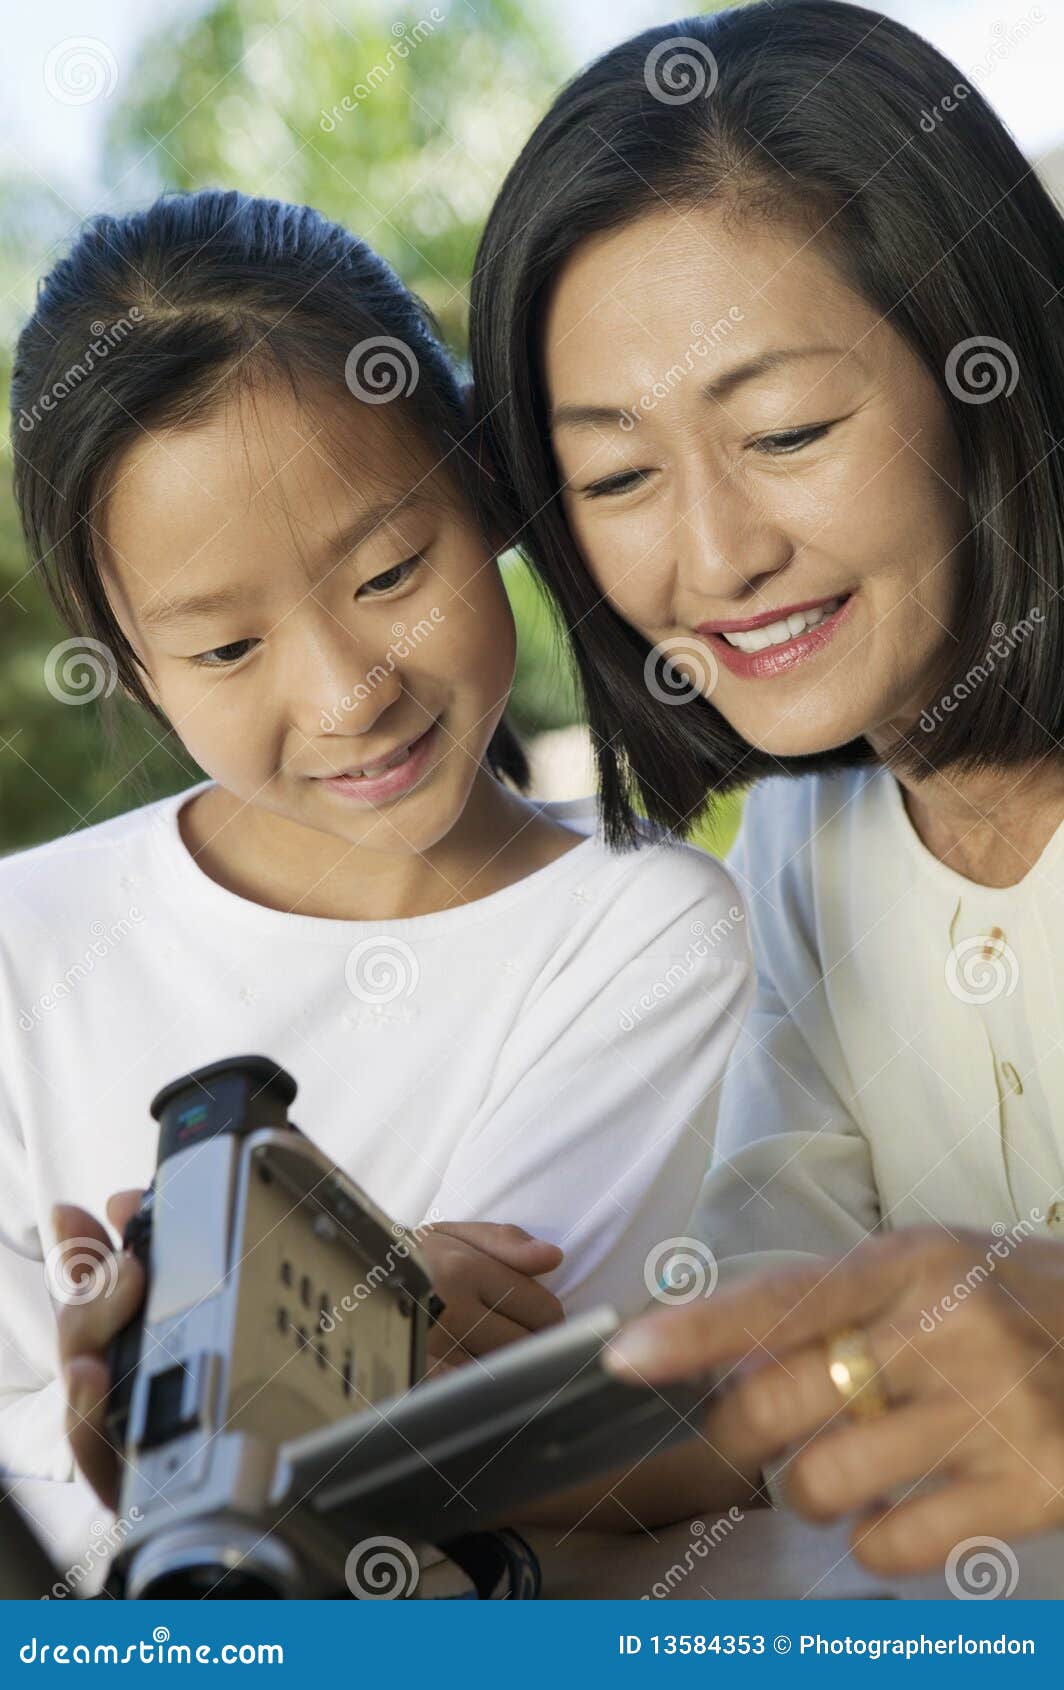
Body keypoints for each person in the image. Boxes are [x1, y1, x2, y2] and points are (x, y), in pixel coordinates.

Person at [2, 191, 751, 1549]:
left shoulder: (647, 934)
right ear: (130, 666)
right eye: (226, 649)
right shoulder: (21, 948)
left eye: (393, 568)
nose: (348, 692)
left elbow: (452, 1433)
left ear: (482, 493)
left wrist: (209, 1376)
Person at [467, 0, 1064, 1567]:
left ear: (983, 372)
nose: (716, 556)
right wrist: (402, 1419)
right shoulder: (807, 830)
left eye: (786, 428)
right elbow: (771, 1345)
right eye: (615, 477)